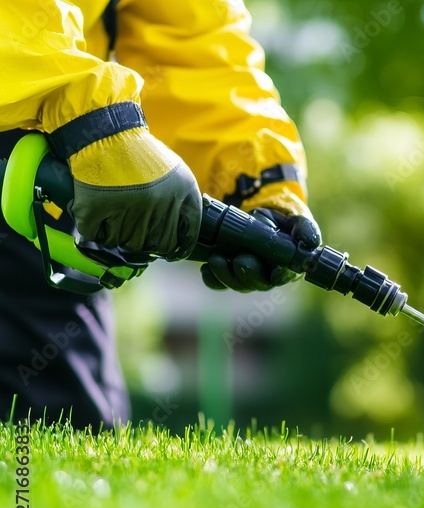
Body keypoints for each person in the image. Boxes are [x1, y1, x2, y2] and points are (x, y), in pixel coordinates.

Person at [0, 0, 321, 430]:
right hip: (46, 125)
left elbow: (194, 39)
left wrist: (258, 183)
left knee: (73, 429)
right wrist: (83, 111)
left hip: (47, 169)